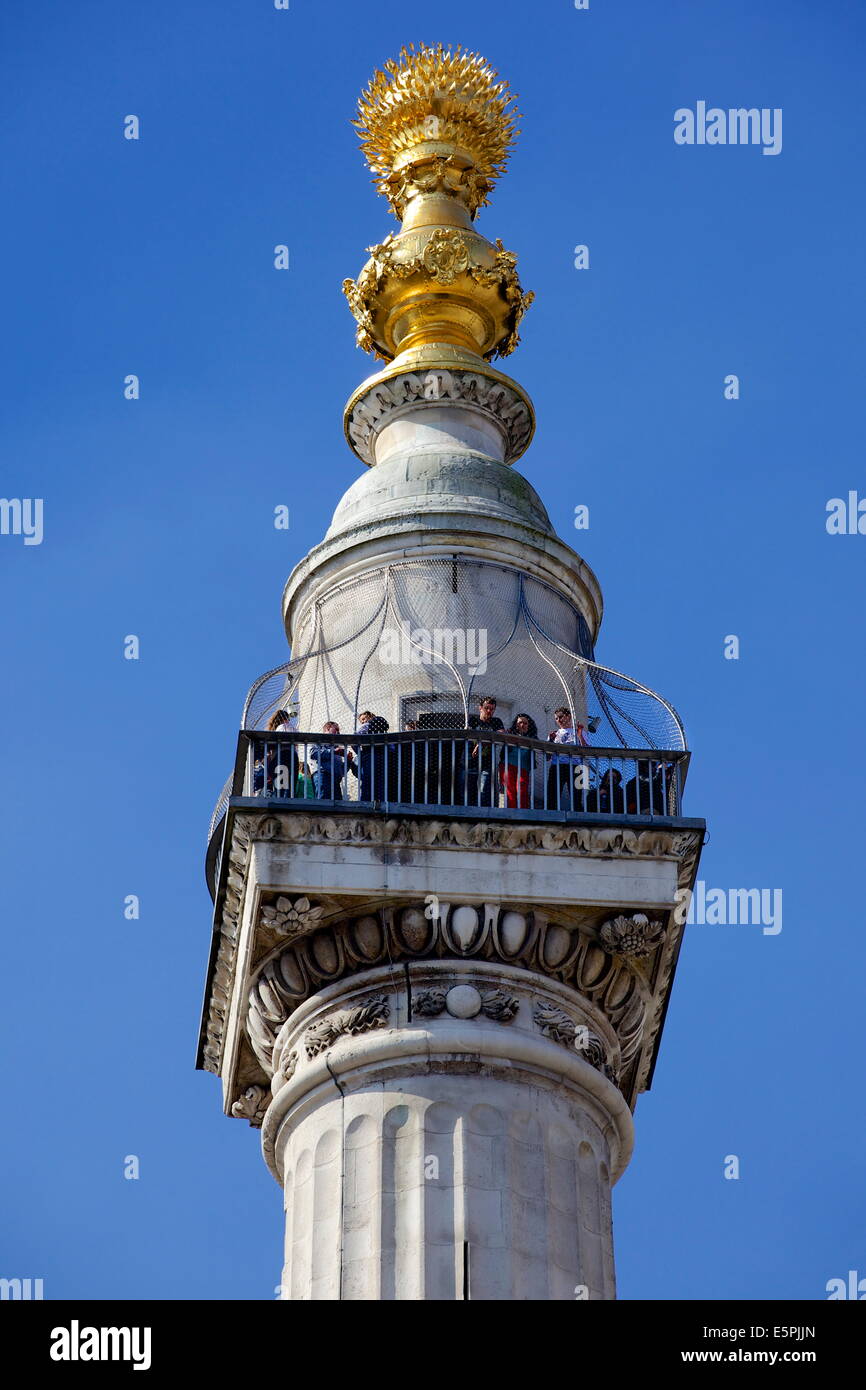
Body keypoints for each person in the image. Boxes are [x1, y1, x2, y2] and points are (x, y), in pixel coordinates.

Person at [461, 696, 505, 808]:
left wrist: (482, 744)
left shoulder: (496, 721)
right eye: (487, 708)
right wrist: (485, 741)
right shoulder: (473, 720)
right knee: (468, 791)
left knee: (485, 791)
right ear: (480, 708)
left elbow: (501, 734)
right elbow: (468, 734)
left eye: (492, 709)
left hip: (487, 763)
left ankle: (482, 816)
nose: (489, 711)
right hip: (470, 761)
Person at [546, 707, 589, 810]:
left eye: (561, 717)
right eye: (556, 718)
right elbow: (547, 757)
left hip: (576, 767)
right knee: (552, 795)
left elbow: (586, 750)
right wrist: (551, 740)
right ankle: (552, 815)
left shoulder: (579, 731)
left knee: (577, 795)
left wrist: (579, 735)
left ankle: (578, 816)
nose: (559, 720)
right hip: (557, 766)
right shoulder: (554, 734)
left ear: (569, 716)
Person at [502, 713, 537, 809]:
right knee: (510, 791)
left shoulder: (532, 737)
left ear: (529, 725)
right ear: (516, 724)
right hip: (508, 765)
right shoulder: (510, 733)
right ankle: (511, 814)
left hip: (524, 767)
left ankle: (523, 814)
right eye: (520, 723)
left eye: (525, 723)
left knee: (522, 791)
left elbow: (538, 747)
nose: (522, 725)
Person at [310, 721, 351, 800]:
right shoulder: (320, 741)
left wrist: (348, 761)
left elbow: (341, 771)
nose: (338, 732)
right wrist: (334, 751)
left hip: (335, 780)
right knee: (323, 802)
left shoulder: (336, 747)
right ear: (327, 728)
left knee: (336, 807)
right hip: (323, 776)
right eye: (336, 729)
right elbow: (313, 753)